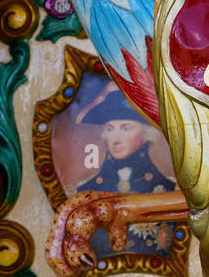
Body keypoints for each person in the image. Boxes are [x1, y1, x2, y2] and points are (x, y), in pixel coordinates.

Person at [74, 90, 178, 257]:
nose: (115, 139)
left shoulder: (170, 187)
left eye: (125, 128)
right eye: (110, 129)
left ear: (145, 132)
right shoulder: (85, 190)